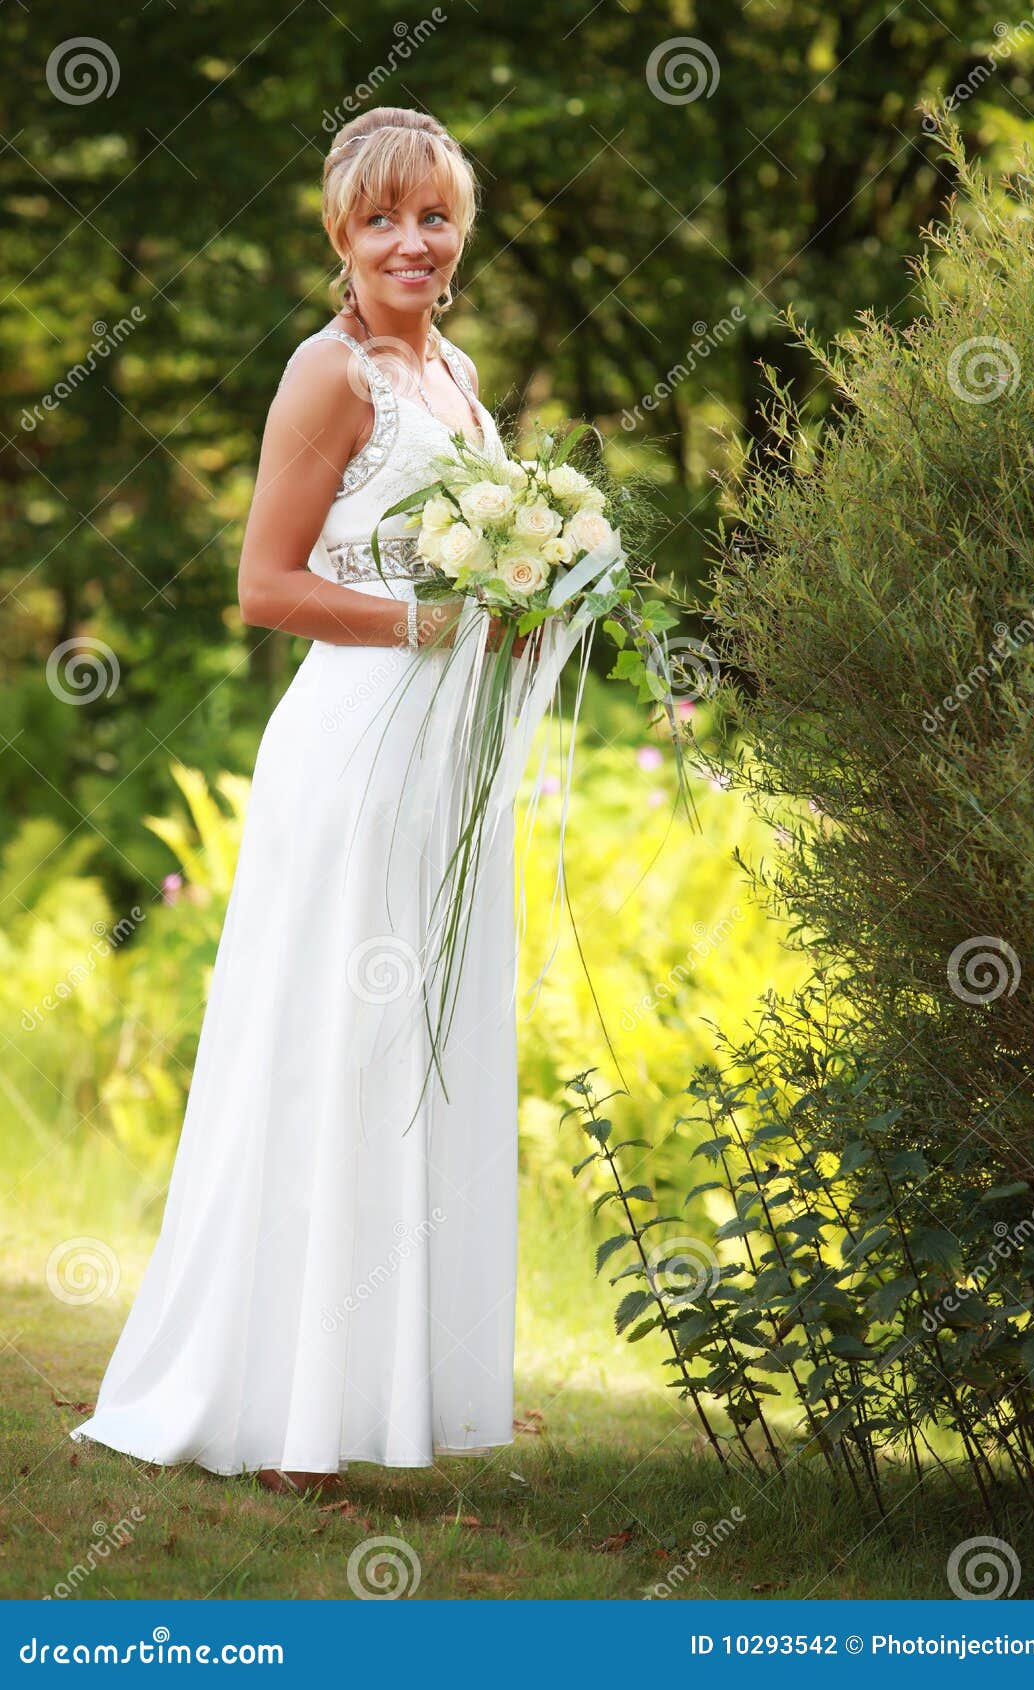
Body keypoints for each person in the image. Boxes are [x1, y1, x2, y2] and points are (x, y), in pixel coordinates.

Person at [70, 107, 525, 1498]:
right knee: (330, 1052)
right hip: (351, 750)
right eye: (382, 217)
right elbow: (267, 586)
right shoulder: (328, 376)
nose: (410, 240)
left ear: (460, 236)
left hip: (443, 765)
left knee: (411, 1060)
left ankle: (381, 1397)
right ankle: (284, 1414)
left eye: (433, 216)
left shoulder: (450, 369)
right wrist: (436, 624)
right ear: (340, 233)